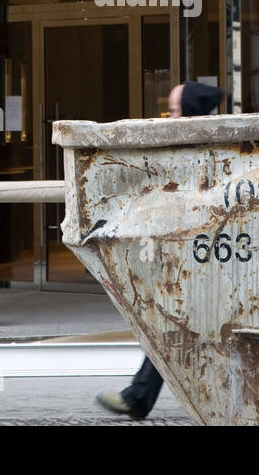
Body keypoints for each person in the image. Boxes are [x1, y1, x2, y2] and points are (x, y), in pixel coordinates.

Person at [96, 80, 225, 420]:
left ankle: (141, 397)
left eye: (176, 109)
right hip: (200, 255)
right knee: (173, 325)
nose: (169, 115)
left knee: (171, 324)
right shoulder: (193, 143)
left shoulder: (198, 146)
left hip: (206, 256)